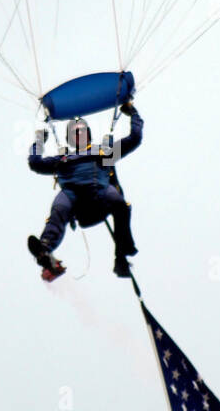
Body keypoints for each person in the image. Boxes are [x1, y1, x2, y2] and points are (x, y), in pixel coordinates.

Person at [27, 103, 144, 280]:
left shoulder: (104, 153)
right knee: (59, 207)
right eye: (74, 132)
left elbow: (135, 137)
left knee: (120, 205)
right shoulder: (62, 159)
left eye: (81, 130)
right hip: (74, 199)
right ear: (70, 139)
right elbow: (35, 163)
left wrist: (133, 114)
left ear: (88, 135)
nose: (78, 133)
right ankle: (45, 250)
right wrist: (39, 140)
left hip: (100, 193)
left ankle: (121, 256)